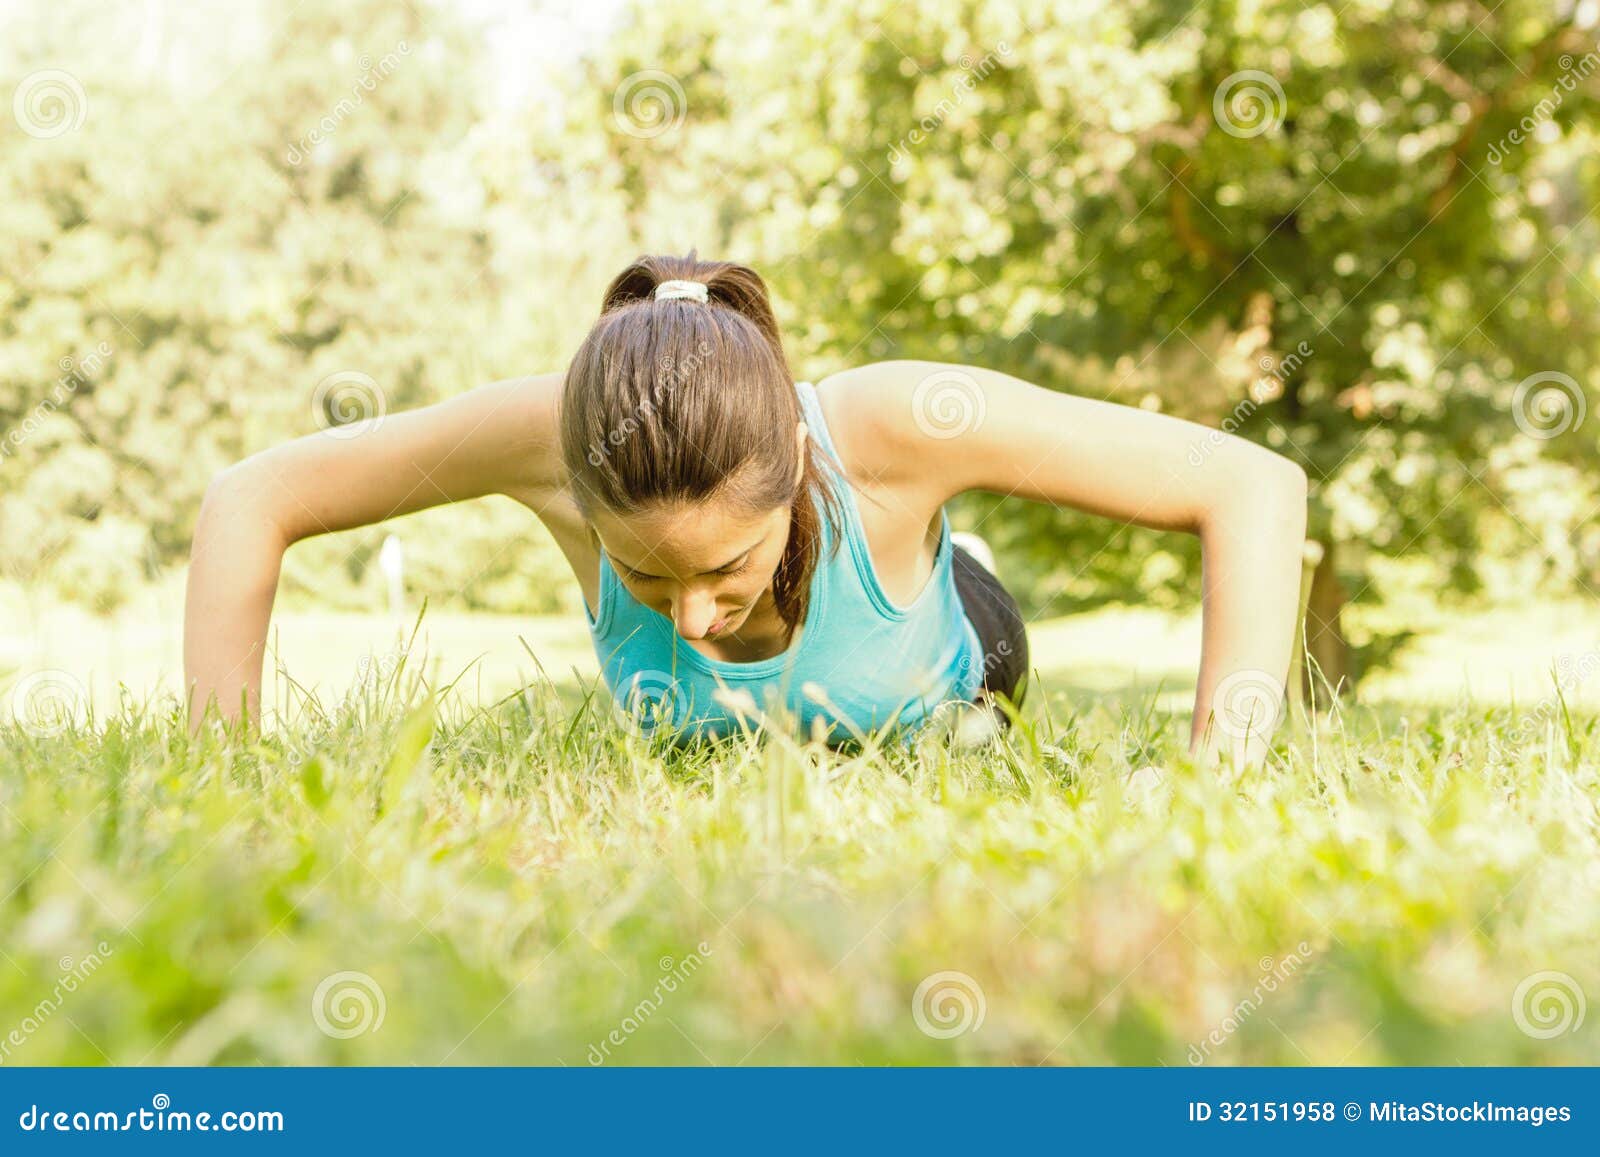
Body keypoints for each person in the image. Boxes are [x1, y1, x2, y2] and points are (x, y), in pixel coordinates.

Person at [184, 251, 1308, 762]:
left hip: (952, 651)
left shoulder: (896, 423)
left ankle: (928, 563)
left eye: (726, 570)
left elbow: (1249, 484)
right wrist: (220, 765)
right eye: (646, 576)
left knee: (960, 688)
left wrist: (1223, 775)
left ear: (795, 468)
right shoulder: (548, 433)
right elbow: (250, 498)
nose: (690, 618)